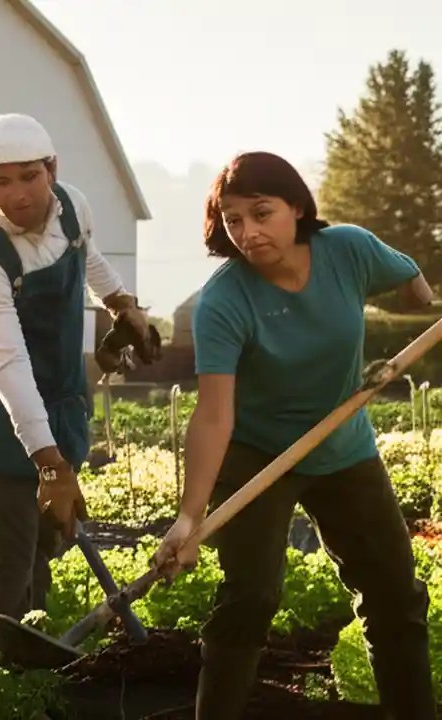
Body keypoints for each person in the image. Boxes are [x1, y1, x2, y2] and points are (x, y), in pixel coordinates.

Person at [151, 151, 436, 719]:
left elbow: (416, 291)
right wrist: (190, 514)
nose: (248, 233)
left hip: (344, 447)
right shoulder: (224, 302)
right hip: (256, 456)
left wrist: (416, 304)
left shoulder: (349, 250)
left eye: (261, 213)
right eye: (233, 220)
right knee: (248, 599)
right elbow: (213, 414)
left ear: (297, 208)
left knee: (394, 597)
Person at [0, 113, 157, 637]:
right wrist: (51, 467)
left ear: (51, 169)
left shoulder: (72, 206)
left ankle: (27, 652)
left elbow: (90, 257)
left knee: (44, 541)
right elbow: (7, 364)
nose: (16, 194)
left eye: (29, 177)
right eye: (0, 181)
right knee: (7, 554)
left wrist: (121, 304)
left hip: (57, 393)